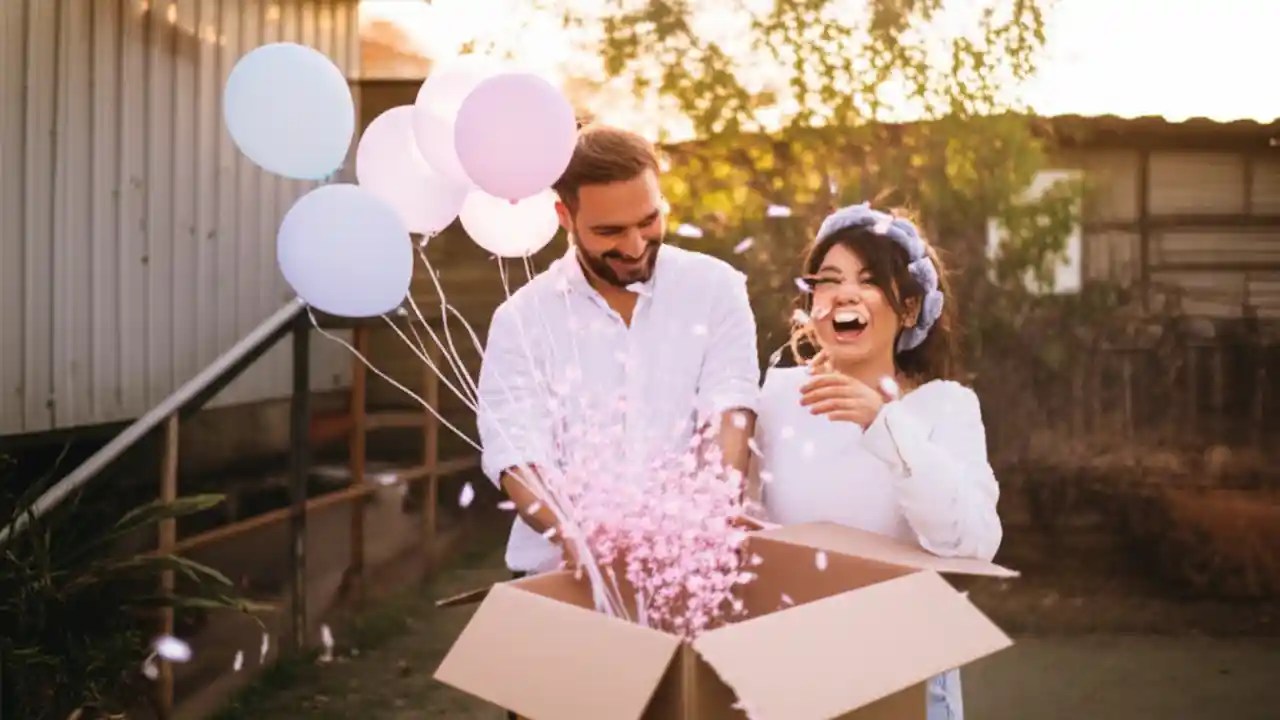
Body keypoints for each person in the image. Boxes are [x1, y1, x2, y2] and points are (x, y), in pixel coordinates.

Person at [475, 124, 761, 579]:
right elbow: (515, 450)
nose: (634, 246)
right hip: (559, 577)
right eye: (609, 231)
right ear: (565, 217)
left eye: (648, 221)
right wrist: (569, 530)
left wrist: (719, 500)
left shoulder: (715, 288)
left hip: (686, 570)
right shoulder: (520, 320)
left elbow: (729, 406)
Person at [751, 202, 1002, 720]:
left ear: (908, 310)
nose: (845, 293)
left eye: (868, 280)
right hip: (792, 667)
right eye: (829, 279)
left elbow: (972, 543)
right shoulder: (774, 398)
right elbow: (748, 523)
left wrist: (882, 425)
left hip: (903, 671)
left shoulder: (945, 407)